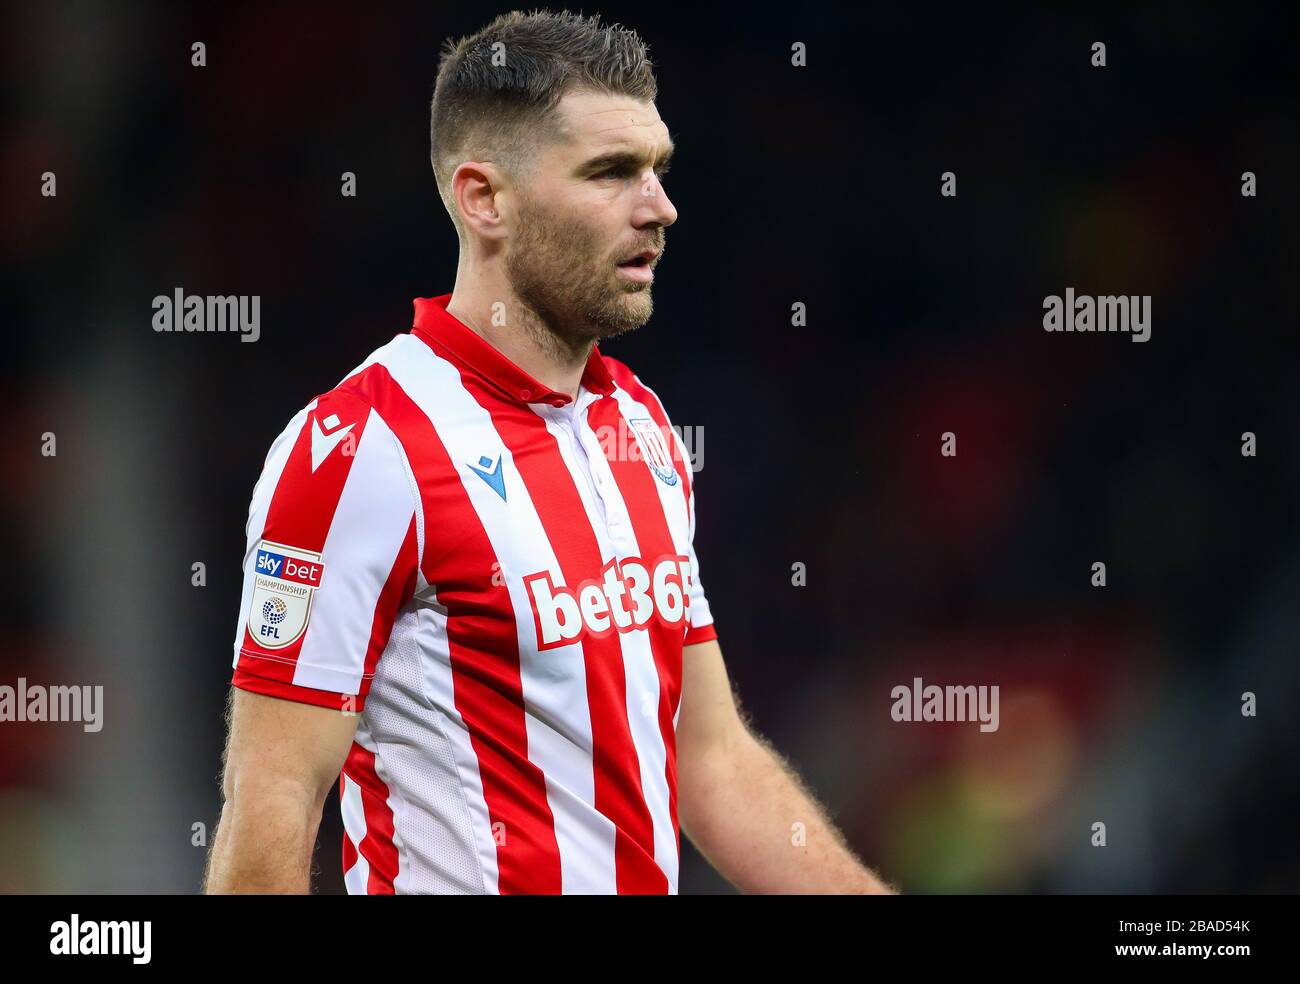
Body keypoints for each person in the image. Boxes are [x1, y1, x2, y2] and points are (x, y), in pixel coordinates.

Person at [204, 8, 893, 895]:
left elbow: (710, 758)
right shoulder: (361, 450)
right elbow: (273, 798)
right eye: (612, 173)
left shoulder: (638, 424)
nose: (660, 207)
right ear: (484, 198)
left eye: (658, 169)